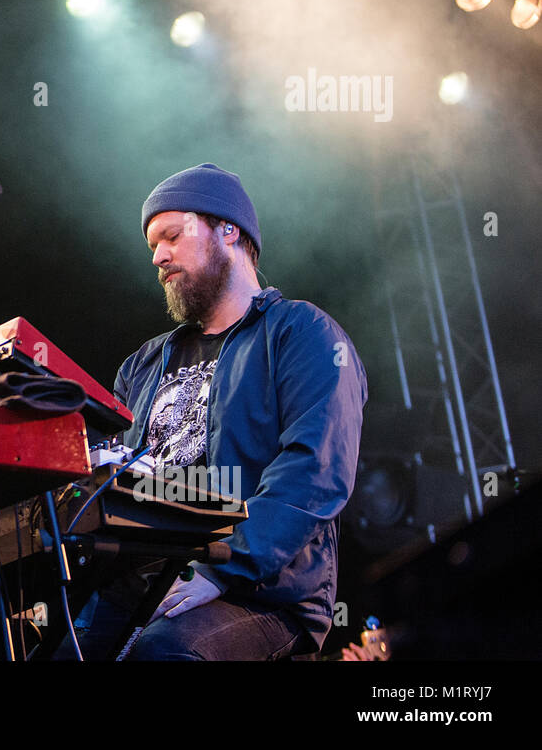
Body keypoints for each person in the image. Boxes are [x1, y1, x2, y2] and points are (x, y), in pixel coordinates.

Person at [78, 163, 366, 660]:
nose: (159, 256)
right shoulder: (142, 365)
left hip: (261, 592)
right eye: (152, 246)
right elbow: (112, 480)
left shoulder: (301, 333)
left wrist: (221, 565)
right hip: (145, 584)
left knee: (166, 653)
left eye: (171, 235)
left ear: (227, 230)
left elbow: (315, 470)